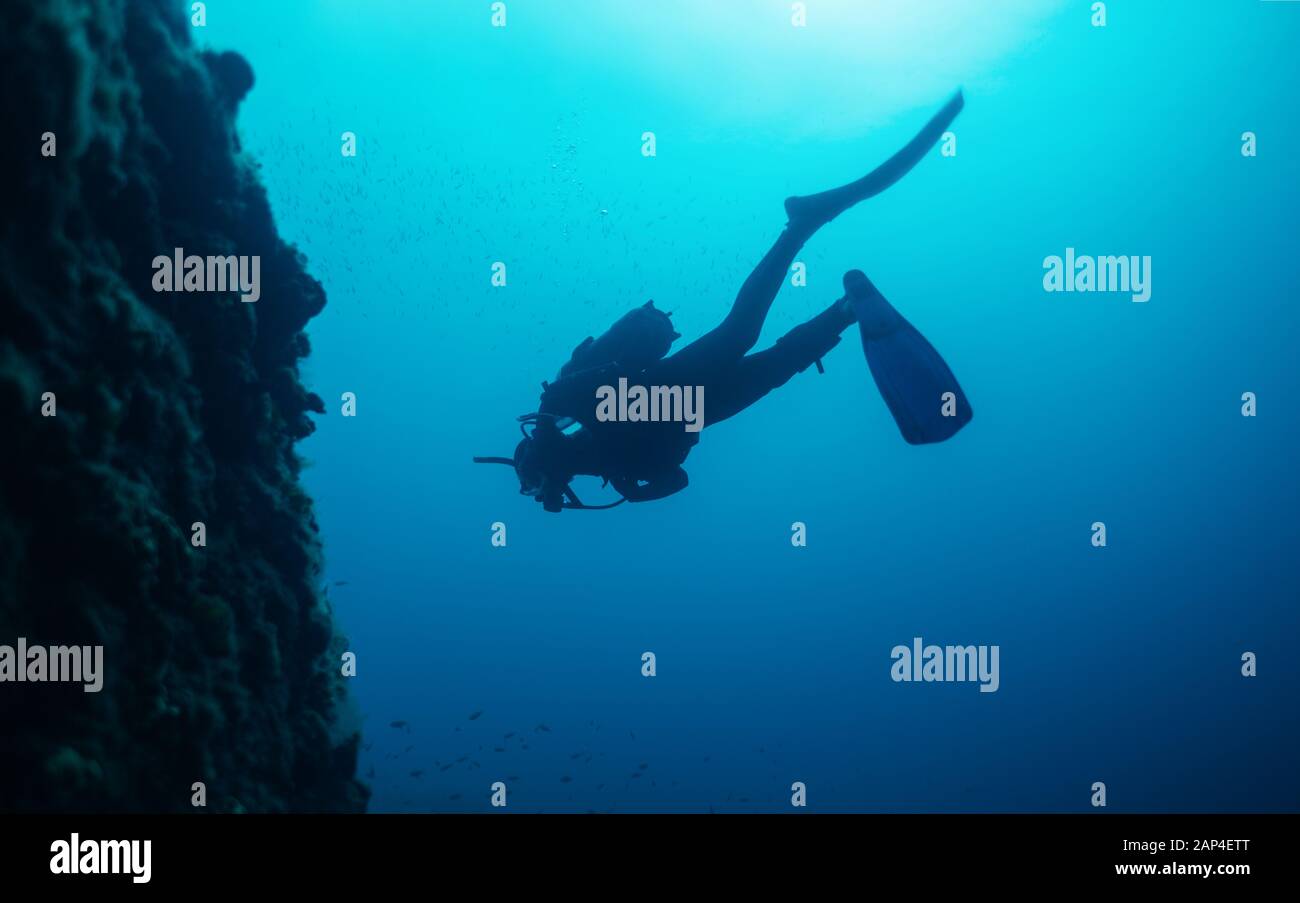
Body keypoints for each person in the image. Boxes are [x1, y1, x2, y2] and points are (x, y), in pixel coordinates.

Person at [477, 92, 971, 512]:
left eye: (530, 484)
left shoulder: (555, 426)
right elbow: (676, 481)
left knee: (741, 333)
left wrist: (565, 451)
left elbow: (577, 394)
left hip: (666, 390)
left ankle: (801, 224)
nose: (537, 493)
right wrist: (636, 486)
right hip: (698, 410)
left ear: (534, 465)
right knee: (781, 365)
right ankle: (845, 309)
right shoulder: (602, 469)